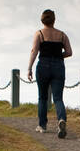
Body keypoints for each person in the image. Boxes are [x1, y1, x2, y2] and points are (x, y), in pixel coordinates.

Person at [27, 9, 72, 138]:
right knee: (58, 98)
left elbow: (34, 51)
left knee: (42, 97)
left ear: (42, 20)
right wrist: (58, 56)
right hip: (58, 66)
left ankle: (42, 125)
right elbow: (69, 52)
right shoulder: (62, 35)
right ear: (54, 20)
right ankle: (61, 119)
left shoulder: (39, 34)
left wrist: (29, 68)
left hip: (43, 66)